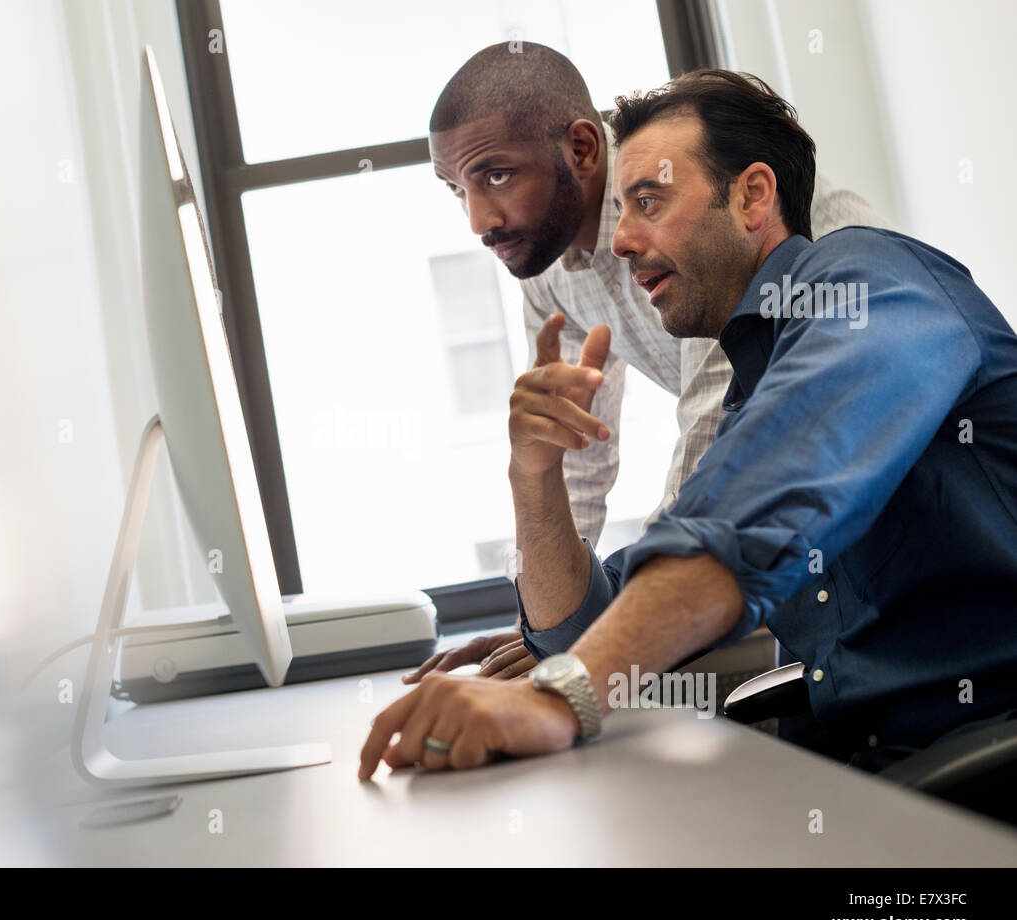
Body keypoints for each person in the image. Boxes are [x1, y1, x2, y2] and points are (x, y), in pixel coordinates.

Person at [360, 69, 1017, 779]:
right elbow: (574, 631)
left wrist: (562, 699)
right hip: (868, 762)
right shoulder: (751, 384)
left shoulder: (873, 282)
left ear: (753, 197)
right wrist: (534, 475)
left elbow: (747, 510)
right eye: (620, 208)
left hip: (977, 754)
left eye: (649, 201)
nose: (619, 241)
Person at [407, 43, 889, 684]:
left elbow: (713, 439)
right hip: (817, 585)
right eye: (455, 189)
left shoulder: (707, 208)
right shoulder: (549, 264)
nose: (477, 220)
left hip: (890, 558)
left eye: (495, 175)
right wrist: (550, 619)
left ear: (582, 149)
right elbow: (573, 464)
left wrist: (593, 639)